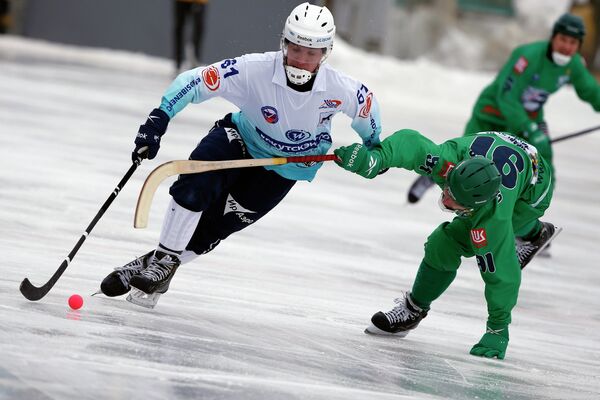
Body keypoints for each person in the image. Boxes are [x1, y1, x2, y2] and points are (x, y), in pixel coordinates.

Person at [99, 2, 382, 308]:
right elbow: (194, 81)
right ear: (283, 43)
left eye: (311, 53)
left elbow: (373, 136)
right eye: (295, 48)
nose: (301, 60)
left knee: (214, 228)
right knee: (196, 181)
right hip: (241, 139)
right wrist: (159, 118)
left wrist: (371, 158)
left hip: (286, 168)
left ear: (325, 53)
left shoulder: (344, 90)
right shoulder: (254, 69)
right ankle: (165, 262)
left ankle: (153, 264)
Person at [334, 128, 561, 359]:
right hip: (510, 155)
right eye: (448, 190)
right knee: (453, 240)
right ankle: (535, 233)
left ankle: (414, 309)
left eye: (456, 203)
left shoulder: (492, 218)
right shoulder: (447, 161)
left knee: (446, 243)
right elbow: (410, 144)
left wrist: (498, 329)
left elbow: (502, 275)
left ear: (479, 206)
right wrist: (376, 159)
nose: (446, 199)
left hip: (536, 191)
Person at [407, 13, 600, 204]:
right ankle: (432, 175)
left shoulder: (573, 64)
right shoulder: (527, 57)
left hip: (529, 117)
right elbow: (507, 96)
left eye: (573, 43)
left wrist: (532, 127)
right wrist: (528, 127)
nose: (567, 47)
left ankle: (527, 215)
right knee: (467, 158)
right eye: (563, 39)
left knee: (543, 159)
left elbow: (590, 90)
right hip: (493, 113)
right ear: (553, 37)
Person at [174, 0, 208, 71]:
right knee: (179, 29)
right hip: (182, 2)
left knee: (198, 29)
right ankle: (178, 63)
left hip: (199, 1)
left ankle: (195, 59)